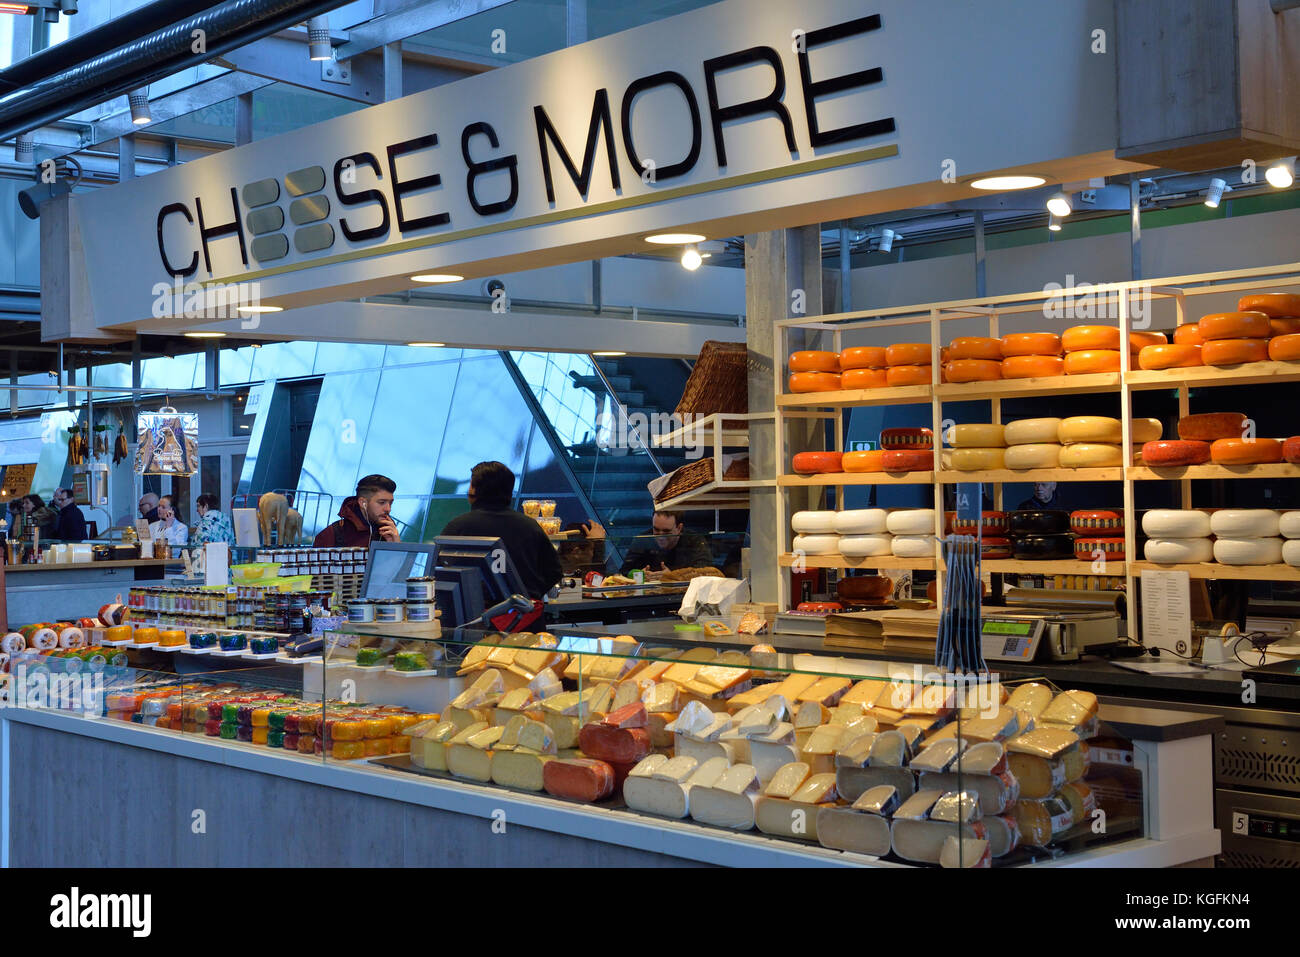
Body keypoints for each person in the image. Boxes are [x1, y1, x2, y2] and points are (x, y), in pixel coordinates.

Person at [440, 461, 562, 601]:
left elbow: (440, 569)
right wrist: (529, 595)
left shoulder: (458, 527)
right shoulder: (530, 526)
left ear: (474, 490)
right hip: (524, 617)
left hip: (475, 617)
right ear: (509, 492)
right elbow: (554, 571)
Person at [617, 509, 713, 576]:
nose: (660, 536)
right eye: (656, 530)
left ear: (679, 528)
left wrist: (672, 576)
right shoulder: (643, 540)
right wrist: (638, 575)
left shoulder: (694, 540)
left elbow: (706, 572)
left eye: (666, 531)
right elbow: (623, 572)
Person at [313, 474, 400, 547]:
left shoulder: (389, 531)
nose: (388, 509)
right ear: (363, 503)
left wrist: (396, 547)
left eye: (390, 503)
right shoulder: (332, 534)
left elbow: (400, 567)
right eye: (382, 502)